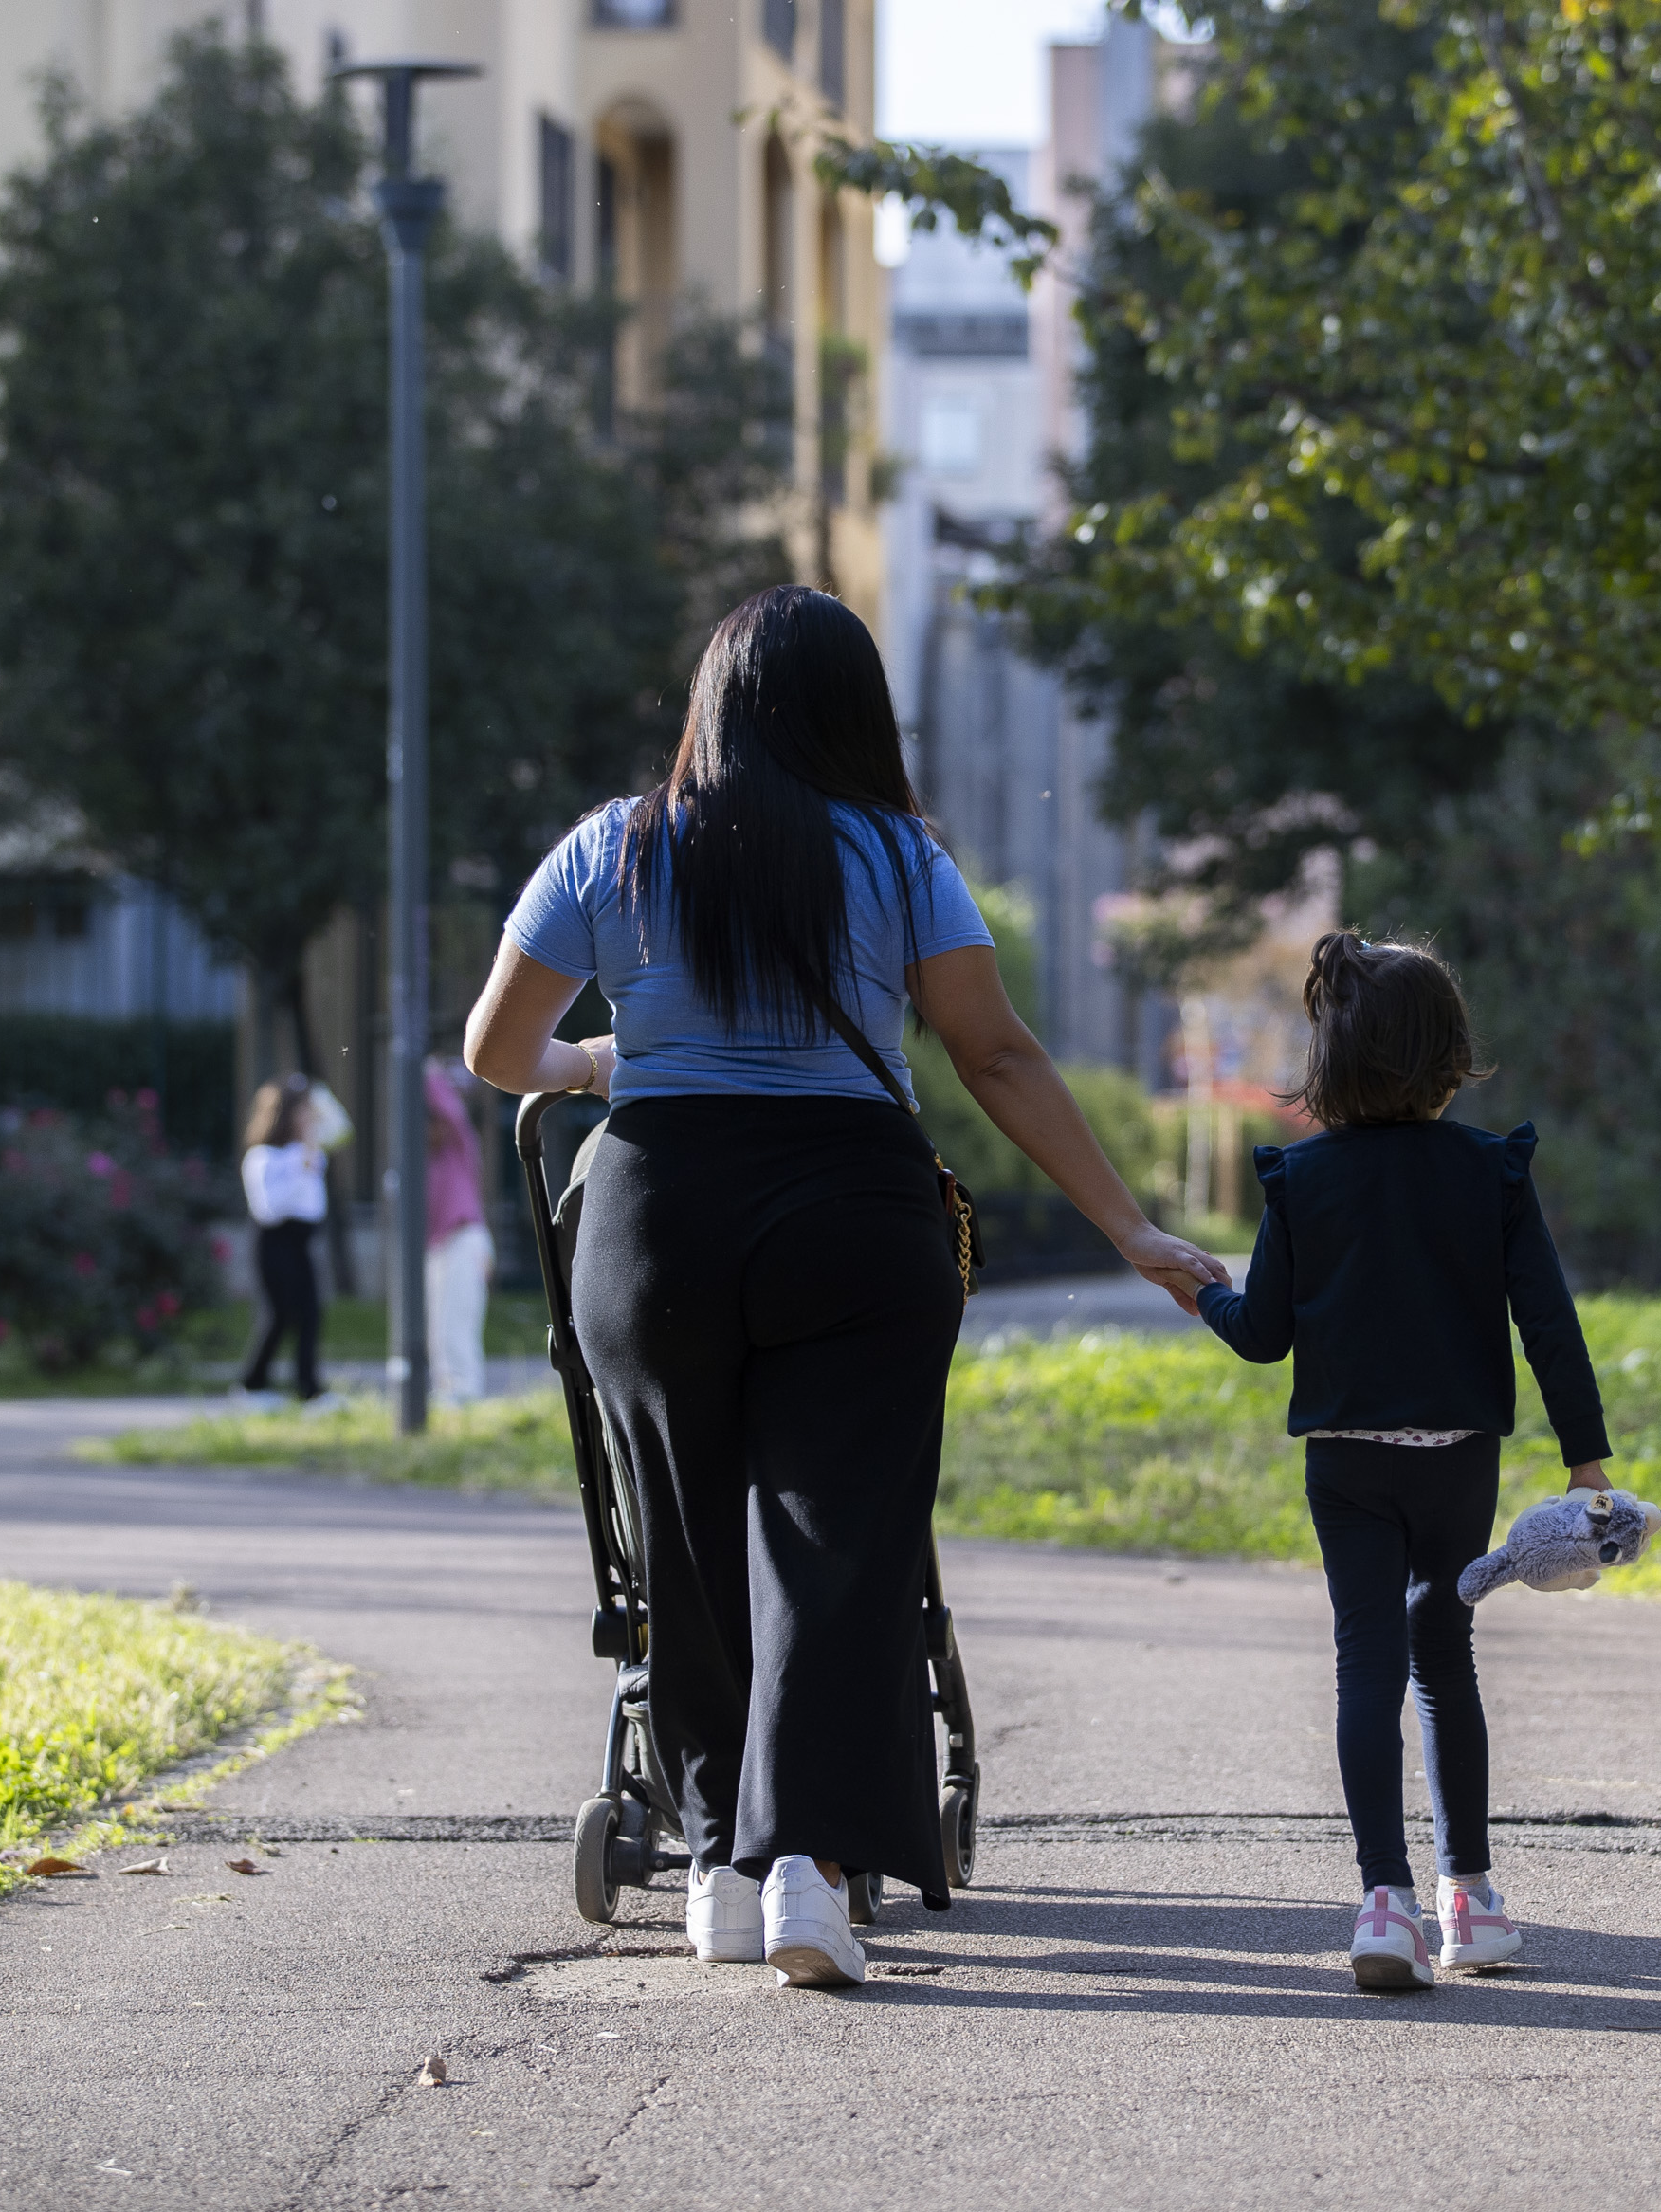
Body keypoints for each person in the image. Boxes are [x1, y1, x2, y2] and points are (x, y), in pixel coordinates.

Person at [463, 584, 1223, 1990]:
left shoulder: (610, 849)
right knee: (832, 1539)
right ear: (852, 714)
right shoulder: (897, 856)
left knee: (681, 1538)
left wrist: (597, 1066)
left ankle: (712, 1870)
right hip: (852, 1216)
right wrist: (1132, 1229)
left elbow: (500, 1048)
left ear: (711, 706)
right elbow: (995, 1058)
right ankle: (808, 1867)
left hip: (657, 1218)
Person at [1192, 932, 1615, 1993]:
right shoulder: (1488, 1170)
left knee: (1364, 1660)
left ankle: (1382, 1902)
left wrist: (1195, 1288)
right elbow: (1547, 1325)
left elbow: (1262, 1334)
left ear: (1328, 1058)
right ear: (1448, 1056)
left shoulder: (1302, 1177)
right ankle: (1467, 1898)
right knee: (1445, 1658)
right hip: (1455, 1456)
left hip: (1345, 1461)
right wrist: (1585, 1464)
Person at [235, 1074, 338, 1410]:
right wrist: (302, 1168)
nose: (308, 1118)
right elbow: (269, 1209)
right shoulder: (263, 1157)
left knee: (310, 1314)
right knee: (277, 1315)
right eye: (302, 1111)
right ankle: (251, 1385)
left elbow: (315, 1204)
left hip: (302, 1241)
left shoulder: (307, 1153)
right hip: (273, 1242)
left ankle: (308, 1389)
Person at [423, 1057, 493, 1405]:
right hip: (439, 1246)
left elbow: (452, 1115)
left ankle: (464, 1392)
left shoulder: (459, 1148)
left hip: (464, 1238)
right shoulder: (426, 1161)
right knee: (438, 1327)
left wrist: (427, 1071)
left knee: (457, 1322)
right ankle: (449, 1391)